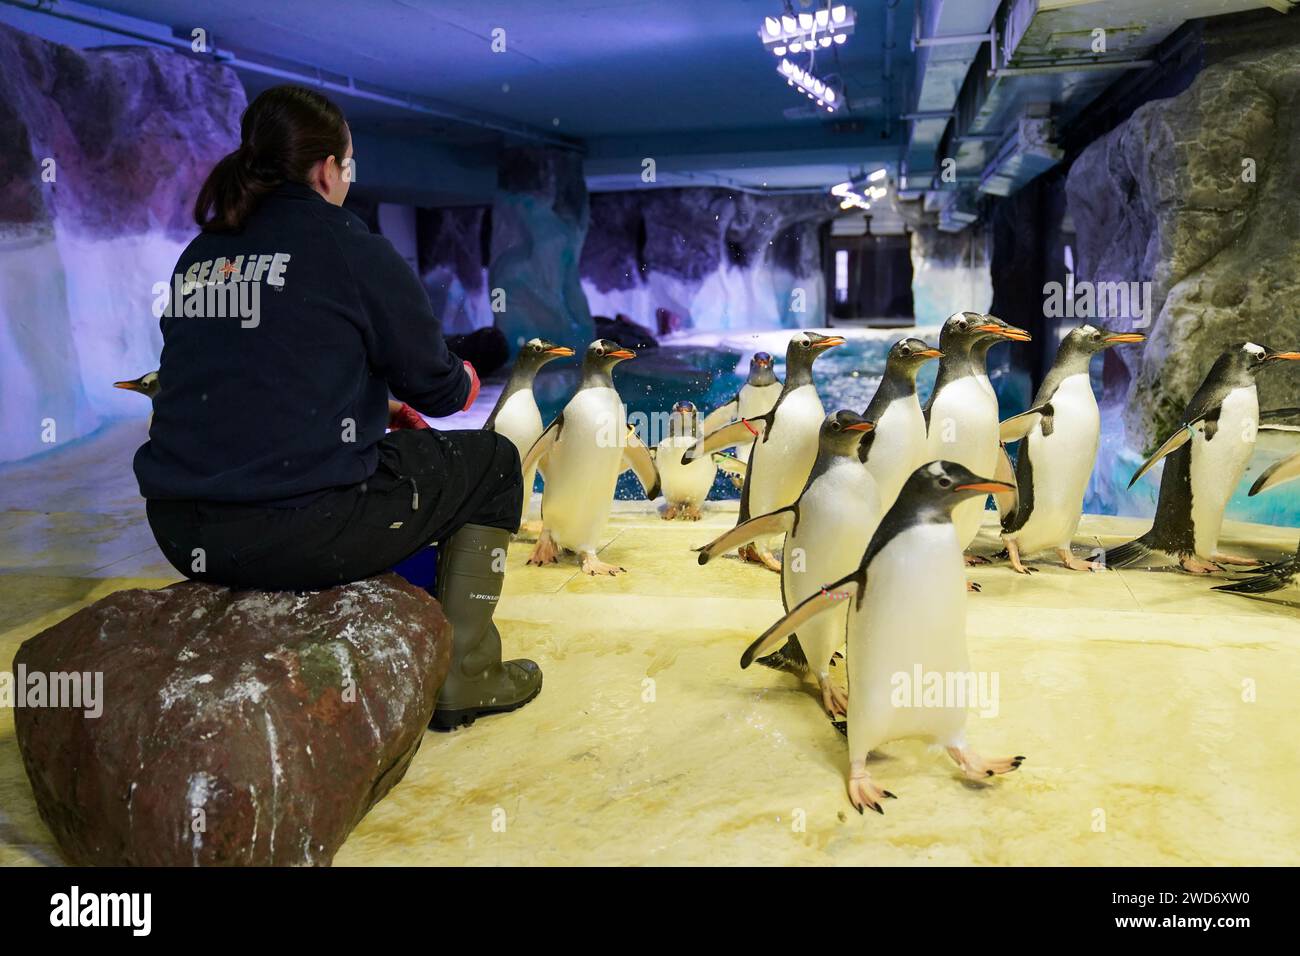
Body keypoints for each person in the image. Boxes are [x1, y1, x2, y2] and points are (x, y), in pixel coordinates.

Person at [135, 85, 541, 730]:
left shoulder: (202, 255)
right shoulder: (347, 244)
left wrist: (362, 414)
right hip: (296, 528)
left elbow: (251, 374)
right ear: (328, 168)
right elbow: (440, 390)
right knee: (490, 462)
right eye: (349, 166)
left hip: (183, 530)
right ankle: (467, 674)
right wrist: (465, 373)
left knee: (386, 462)